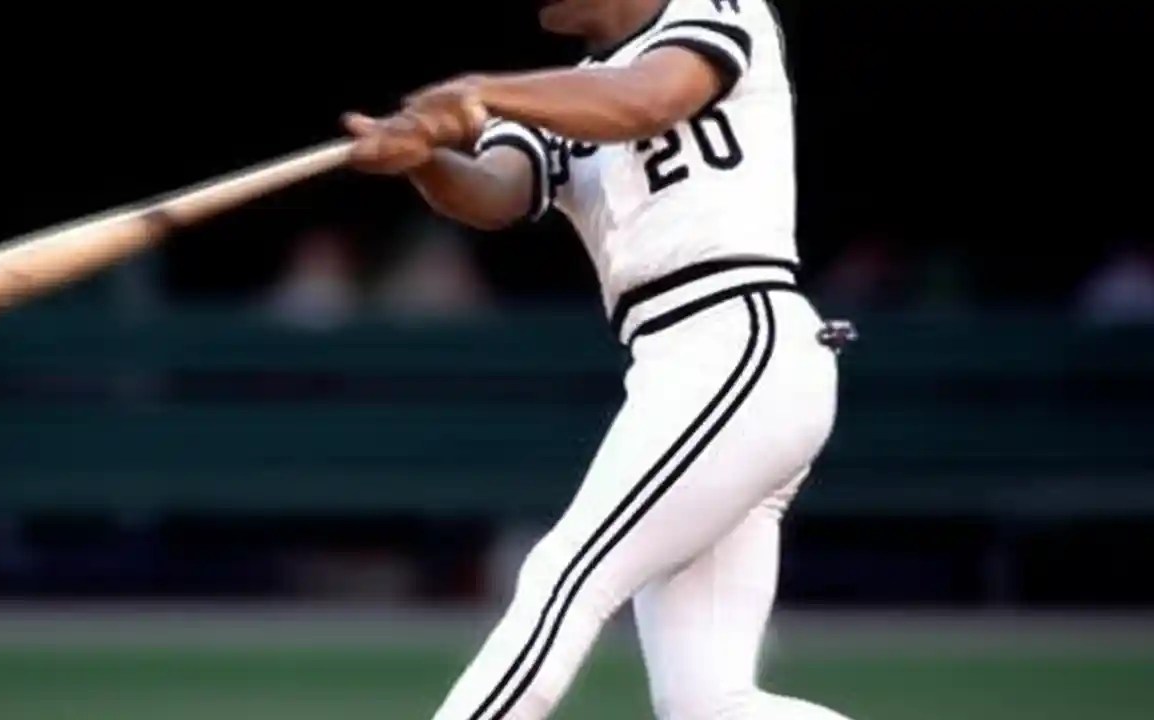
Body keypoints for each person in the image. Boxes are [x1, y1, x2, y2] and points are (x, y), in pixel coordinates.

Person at [342, 1, 854, 718]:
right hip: (680, 367)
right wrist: (423, 159)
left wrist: (481, 94)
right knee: (708, 703)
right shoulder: (564, 93)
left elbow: (649, 97)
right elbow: (496, 192)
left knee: (565, 578)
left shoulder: (712, 9)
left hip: (737, 338)